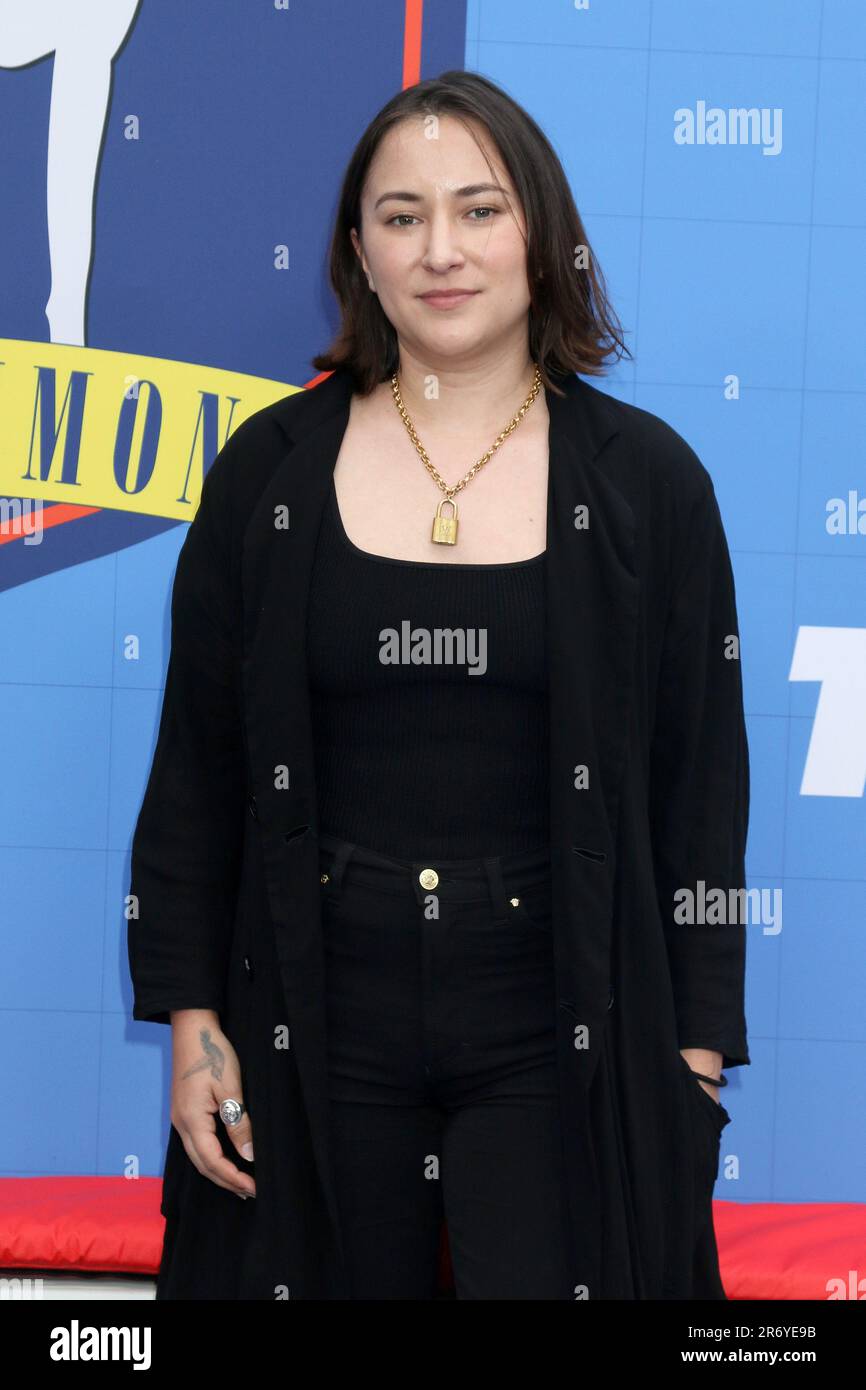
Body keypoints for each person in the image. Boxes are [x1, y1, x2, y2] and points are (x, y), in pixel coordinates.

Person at [128, 70, 750, 1300]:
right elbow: (196, 771)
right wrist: (193, 1029)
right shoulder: (268, 475)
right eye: (400, 216)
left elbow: (699, 792)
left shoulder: (646, 486)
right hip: (317, 1009)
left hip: (563, 1014)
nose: (440, 250)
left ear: (543, 234)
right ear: (356, 251)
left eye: (478, 209)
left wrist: (689, 1060)